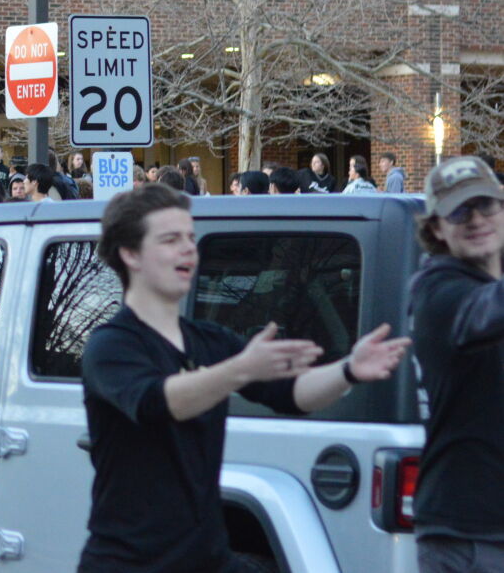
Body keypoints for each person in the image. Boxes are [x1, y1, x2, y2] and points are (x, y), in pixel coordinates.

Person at [80, 185, 408, 572]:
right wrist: (241, 369)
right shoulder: (110, 345)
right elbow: (159, 402)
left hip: (208, 560)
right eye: (171, 240)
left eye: (190, 237)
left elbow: (293, 395)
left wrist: (349, 369)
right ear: (130, 254)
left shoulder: (210, 340)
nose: (188, 248)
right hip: (128, 563)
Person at [407, 156, 504, 573]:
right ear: (435, 228)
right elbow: (487, 312)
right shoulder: (437, 290)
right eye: (459, 210)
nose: (476, 219)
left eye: (486, 205)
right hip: (468, 536)